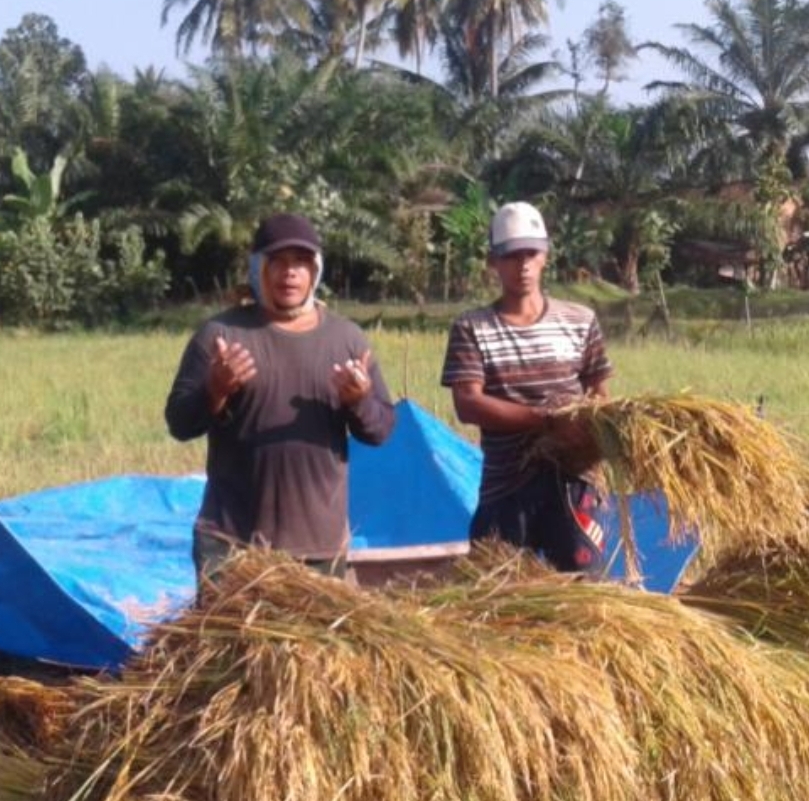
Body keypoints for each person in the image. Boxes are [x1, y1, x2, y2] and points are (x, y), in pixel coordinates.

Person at [165, 212, 396, 582]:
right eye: (279, 262)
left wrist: (360, 401)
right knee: (230, 641)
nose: (290, 273)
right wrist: (216, 389)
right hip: (231, 546)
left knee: (313, 642)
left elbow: (381, 431)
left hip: (317, 548)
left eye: (301, 263)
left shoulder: (346, 339)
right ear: (259, 269)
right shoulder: (221, 334)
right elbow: (179, 422)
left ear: (315, 273)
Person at [440, 201, 614, 573]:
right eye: (511, 256)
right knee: (496, 598)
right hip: (506, 487)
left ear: (545, 256)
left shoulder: (580, 321)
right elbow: (468, 403)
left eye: (531, 254)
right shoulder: (473, 328)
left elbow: (600, 393)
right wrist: (546, 421)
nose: (522, 266)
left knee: (582, 595)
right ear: (494, 262)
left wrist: (585, 432)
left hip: (572, 484)